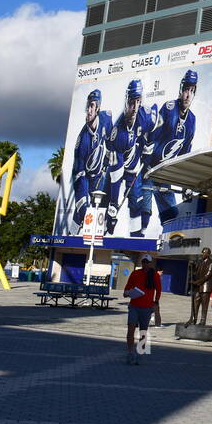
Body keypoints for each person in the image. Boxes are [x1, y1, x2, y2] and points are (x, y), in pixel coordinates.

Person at [146, 70, 198, 226]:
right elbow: (151, 138)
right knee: (143, 212)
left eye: (192, 90)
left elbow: (184, 156)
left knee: (172, 217)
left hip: (163, 175)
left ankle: (165, 245)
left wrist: (186, 186)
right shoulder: (168, 109)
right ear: (181, 90)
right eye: (186, 89)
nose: (188, 95)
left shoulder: (192, 121)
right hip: (148, 170)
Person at [105, 79, 155, 237]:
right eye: (132, 102)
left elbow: (154, 123)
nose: (134, 107)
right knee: (108, 203)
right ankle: (105, 226)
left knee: (136, 203)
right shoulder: (117, 133)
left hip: (134, 167)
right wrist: (114, 203)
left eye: (138, 102)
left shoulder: (146, 115)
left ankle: (135, 236)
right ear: (126, 101)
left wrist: (149, 144)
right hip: (115, 169)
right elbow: (116, 174)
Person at [71, 88, 113, 233]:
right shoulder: (82, 141)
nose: (88, 110)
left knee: (103, 219)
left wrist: (109, 156)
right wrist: (84, 209)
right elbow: (78, 176)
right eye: (87, 106)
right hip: (86, 181)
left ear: (98, 108)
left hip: (100, 177)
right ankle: (73, 234)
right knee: (82, 215)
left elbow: (111, 138)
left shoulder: (106, 118)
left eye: (92, 106)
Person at [123, 255, 162, 364]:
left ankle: (140, 353)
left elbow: (158, 290)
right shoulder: (135, 273)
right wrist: (127, 293)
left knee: (143, 332)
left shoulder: (154, 275)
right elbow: (127, 288)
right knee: (130, 330)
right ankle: (130, 353)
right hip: (134, 306)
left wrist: (156, 302)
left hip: (147, 308)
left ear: (151, 263)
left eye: (147, 262)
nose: (145, 264)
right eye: (144, 262)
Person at [187, 247, 212, 326]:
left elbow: (207, 276)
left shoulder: (211, 263)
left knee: (204, 305)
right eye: (202, 253)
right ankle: (193, 319)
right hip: (198, 287)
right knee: (195, 303)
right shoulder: (200, 262)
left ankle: (203, 320)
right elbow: (195, 272)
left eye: (204, 253)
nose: (203, 254)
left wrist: (197, 282)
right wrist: (191, 266)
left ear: (208, 254)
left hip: (205, 287)